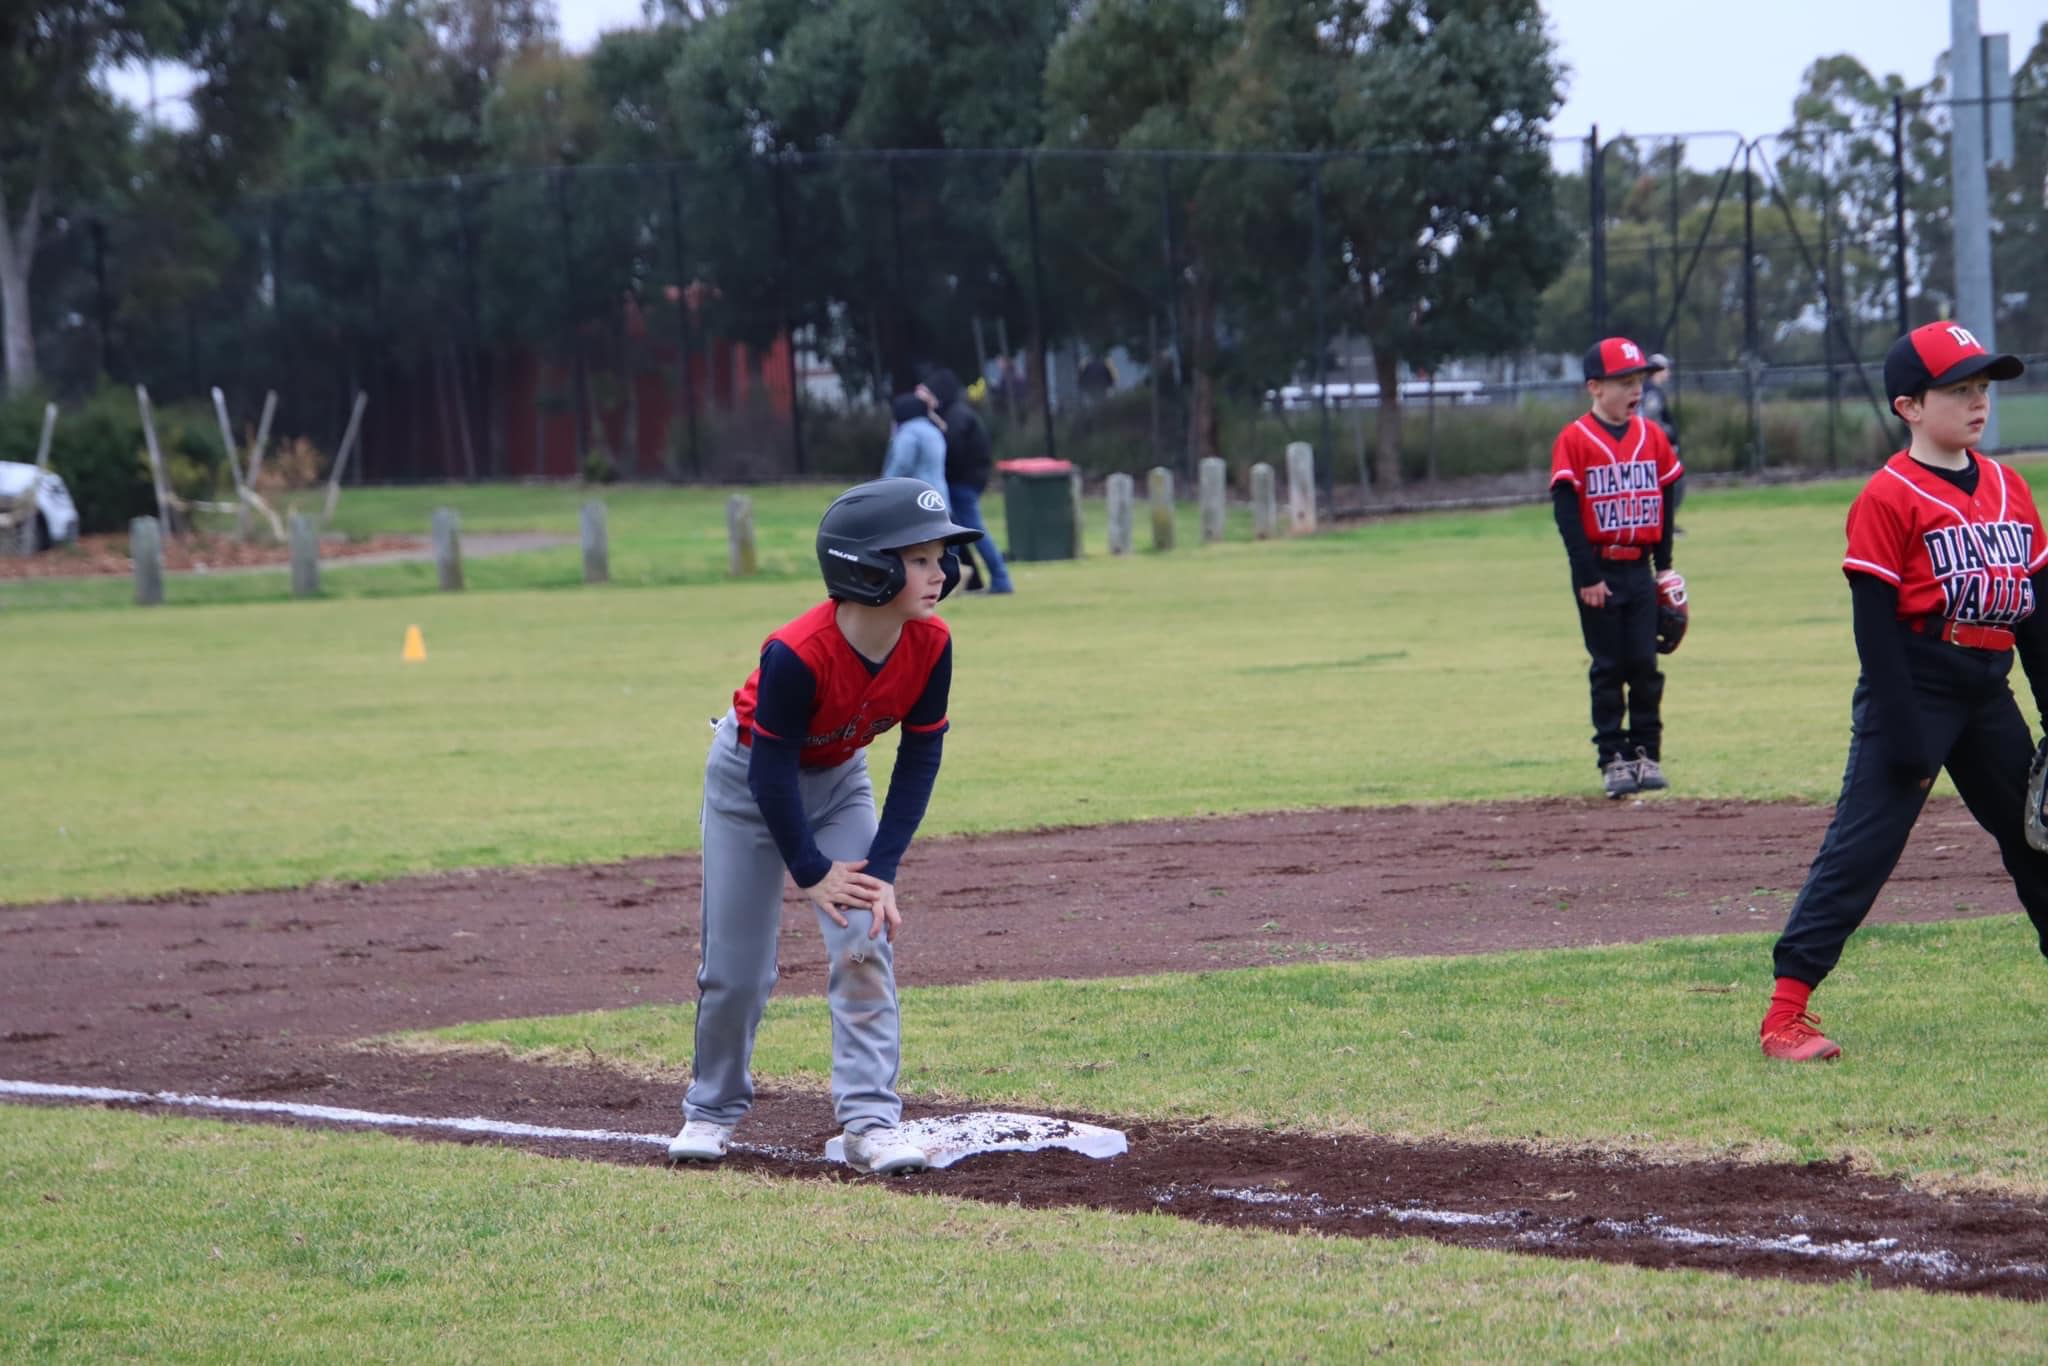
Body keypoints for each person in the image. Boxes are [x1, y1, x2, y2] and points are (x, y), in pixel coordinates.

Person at [669, 477, 982, 1172]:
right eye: (920, 559)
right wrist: (811, 873)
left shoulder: (932, 643)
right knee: (737, 971)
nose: (940, 573)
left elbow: (921, 755)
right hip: (749, 786)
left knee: (863, 940)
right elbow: (769, 776)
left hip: (841, 782)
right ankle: (710, 1111)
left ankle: (870, 1123)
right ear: (865, 567)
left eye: (941, 558)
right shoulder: (796, 653)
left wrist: (881, 871)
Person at [1759, 321, 2048, 1063]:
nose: (1978, 402)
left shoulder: (2010, 488)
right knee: (1864, 850)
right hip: (1912, 687)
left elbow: (2038, 617)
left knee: (2038, 839)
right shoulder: (1889, 496)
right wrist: (1903, 730)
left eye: (1982, 388)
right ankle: (1784, 1017)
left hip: (1988, 691)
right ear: (1909, 406)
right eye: (1959, 390)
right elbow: (1875, 628)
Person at [1549, 336, 1686, 799]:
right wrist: (1586, 575)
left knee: (1644, 664)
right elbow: (1567, 516)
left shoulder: (1652, 436)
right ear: (1595, 387)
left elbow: (1665, 500)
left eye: (1639, 381)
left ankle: (1646, 752)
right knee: (1608, 668)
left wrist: (1664, 569)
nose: (1636, 390)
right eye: (1624, 382)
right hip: (1599, 570)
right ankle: (1612, 758)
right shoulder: (1575, 439)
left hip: (1640, 569)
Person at [920, 367, 1014, 595]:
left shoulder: (955, 417)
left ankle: (999, 579)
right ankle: (963, 580)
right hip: (966, 481)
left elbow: (952, 450)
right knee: (957, 532)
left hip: (961, 483)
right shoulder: (957, 414)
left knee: (972, 531)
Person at [881, 391, 946, 491]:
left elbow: (903, 463)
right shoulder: (934, 430)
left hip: (916, 492)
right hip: (938, 492)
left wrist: (885, 483)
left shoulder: (909, 432)